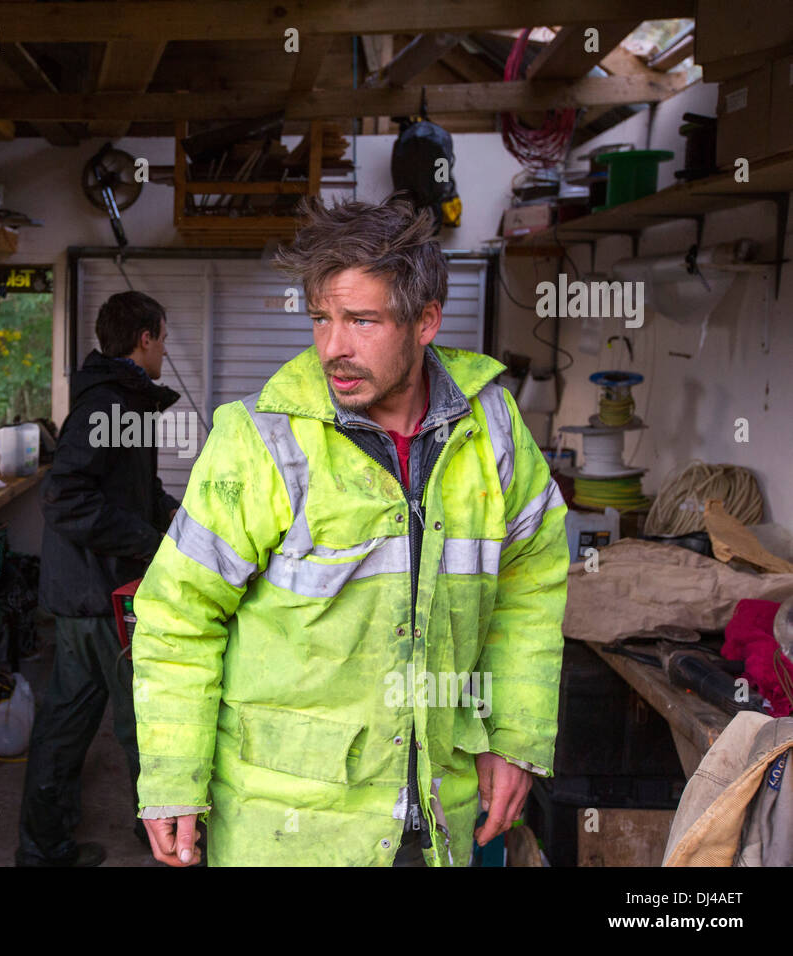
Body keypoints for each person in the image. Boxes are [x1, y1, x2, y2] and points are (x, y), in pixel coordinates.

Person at [131, 195, 569, 867]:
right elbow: (178, 616)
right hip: (286, 831)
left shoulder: (494, 431)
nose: (334, 346)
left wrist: (513, 735)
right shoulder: (260, 440)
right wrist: (171, 781)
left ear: (426, 322)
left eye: (362, 320)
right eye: (321, 319)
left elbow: (528, 588)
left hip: (437, 820)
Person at [15, 290, 181, 867]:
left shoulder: (120, 402)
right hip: (102, 598)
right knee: (149, 726)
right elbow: (66, 498)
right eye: (163, 337)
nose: (165, 349)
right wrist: (149, 543)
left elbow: (129, 492)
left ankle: (43, 850)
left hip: (83, 596)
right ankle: (168, 842)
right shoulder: (110, 407)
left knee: (65, 726)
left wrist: (184, 521)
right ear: (146, 338)